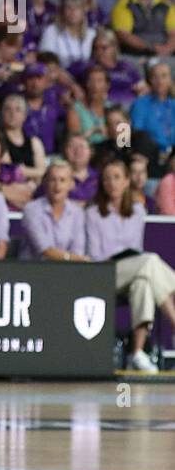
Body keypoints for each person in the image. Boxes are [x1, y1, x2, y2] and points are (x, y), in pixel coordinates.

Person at [85, 158, 175, 373]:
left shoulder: (138, 212)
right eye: (107, 178)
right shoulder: (92, 213)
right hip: (103, 273)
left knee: (143, 282)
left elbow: (136, 248)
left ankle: (137, 353)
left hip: (133, 271)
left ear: (126, 181)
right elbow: (95, 254)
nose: (111, 183)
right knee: (150, 261)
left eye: (116, 177)